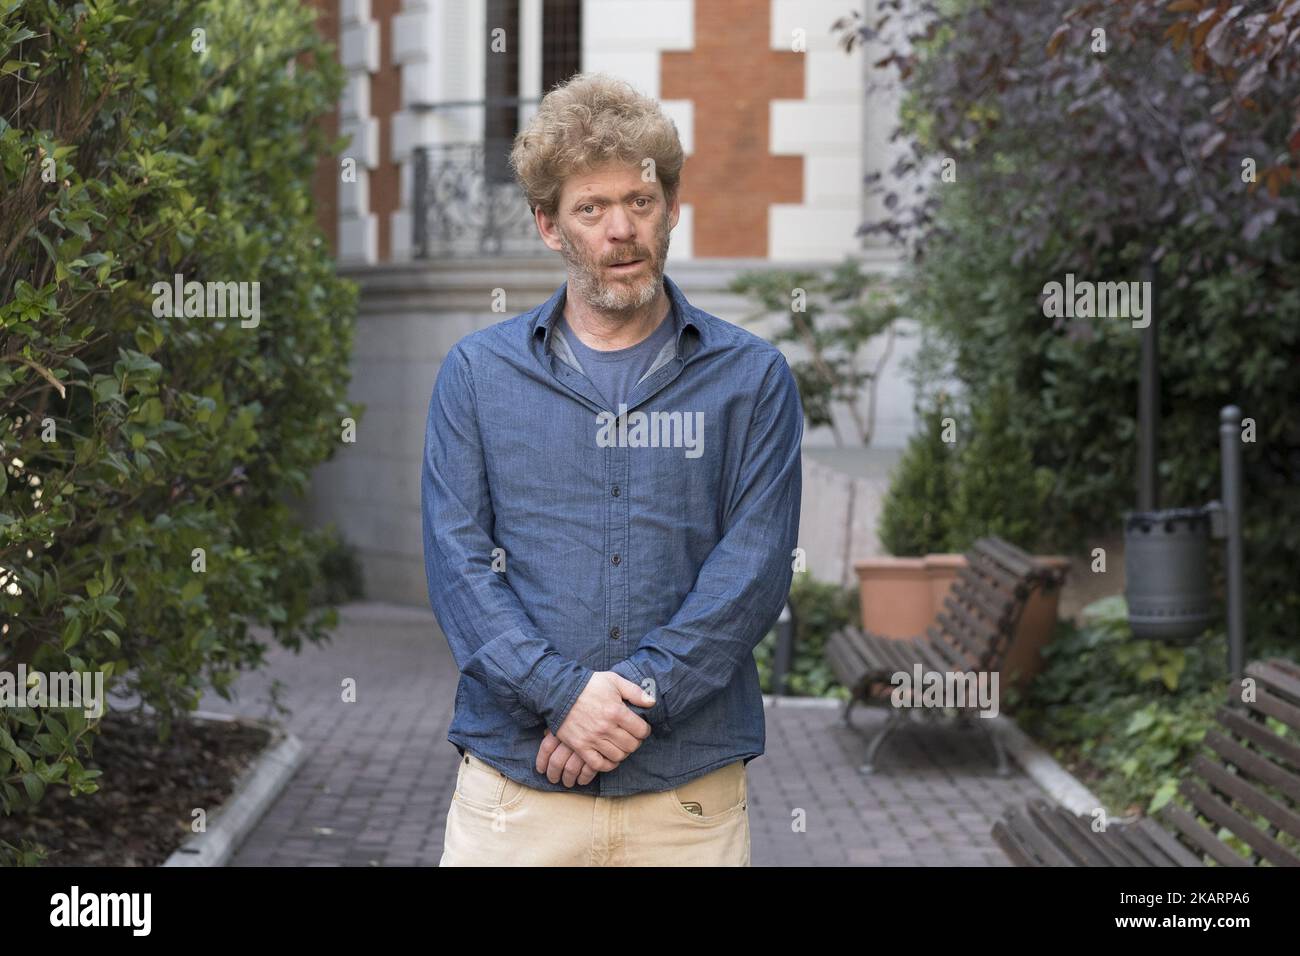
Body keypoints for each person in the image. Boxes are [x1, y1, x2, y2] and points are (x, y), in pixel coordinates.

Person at [423, 72, 803, 866]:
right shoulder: (476, 375)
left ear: (671, 208)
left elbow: (754, 570)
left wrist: (620, 710)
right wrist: (563, 697)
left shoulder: (752, 379)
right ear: (549, 226)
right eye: (590, 208)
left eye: (640, 201)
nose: (619, 229)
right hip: (516, 795)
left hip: (687, 802)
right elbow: (459, 569)